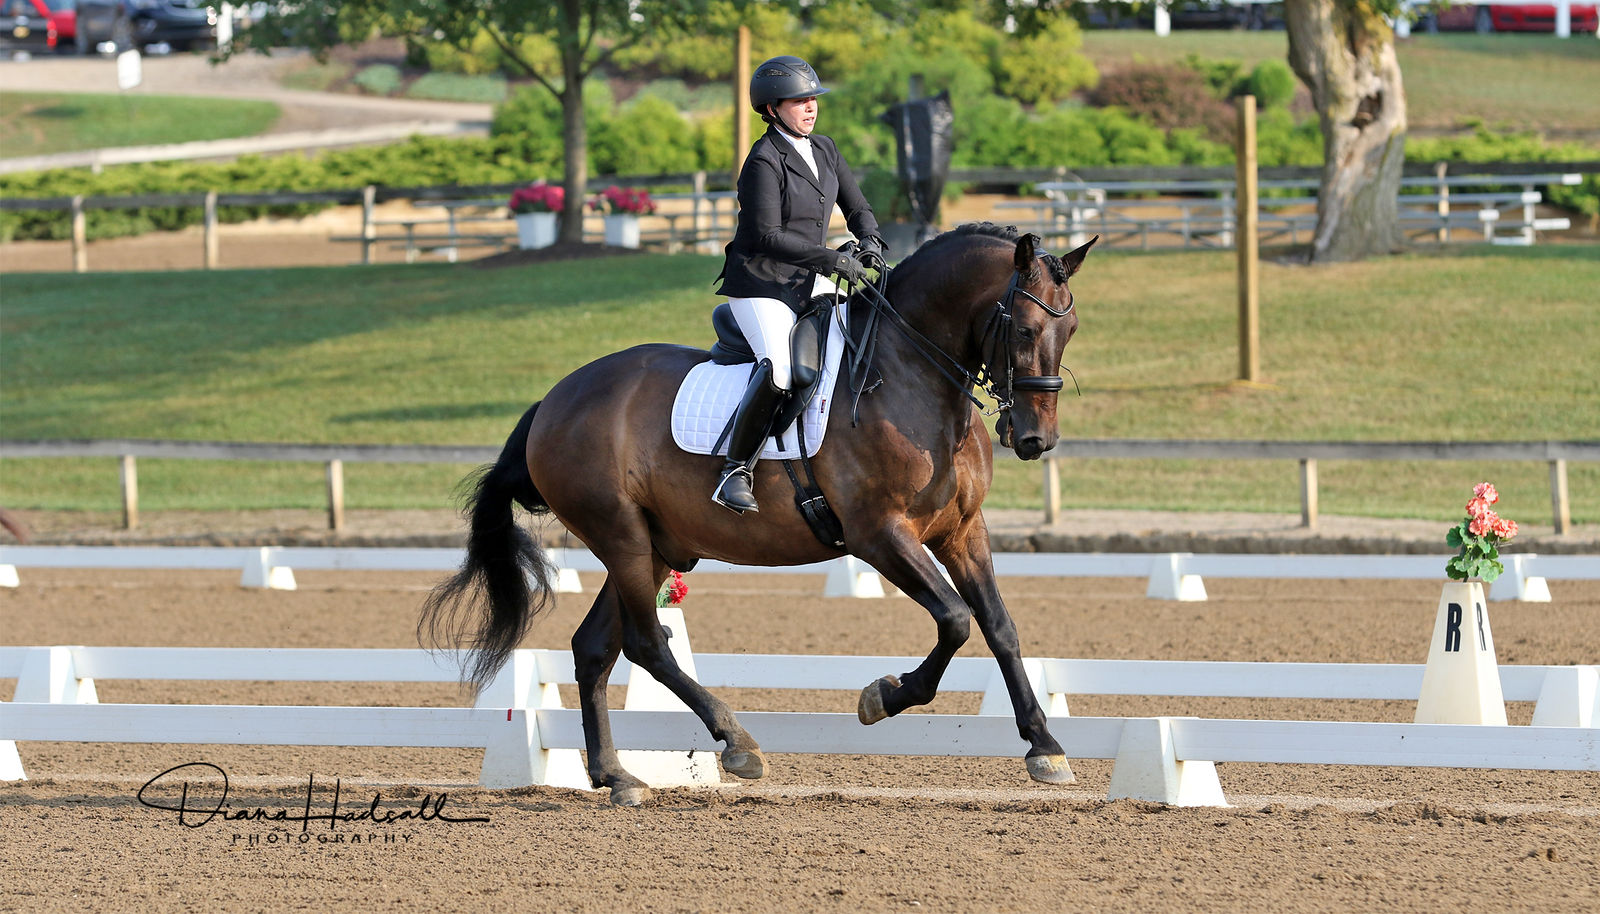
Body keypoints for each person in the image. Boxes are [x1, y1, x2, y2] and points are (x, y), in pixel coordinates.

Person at [712, 54, 886, 513]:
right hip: (761, 284)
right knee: (783, 369)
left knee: (864, 342)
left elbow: (857, 205)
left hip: (809, 279)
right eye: (798, 101)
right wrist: (833, 259)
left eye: (813, 99)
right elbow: (768, 236)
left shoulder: (825, 148)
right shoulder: (764, 160)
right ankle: (735, 470)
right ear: (771, 109)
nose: (810, 108)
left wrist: (869, 240)